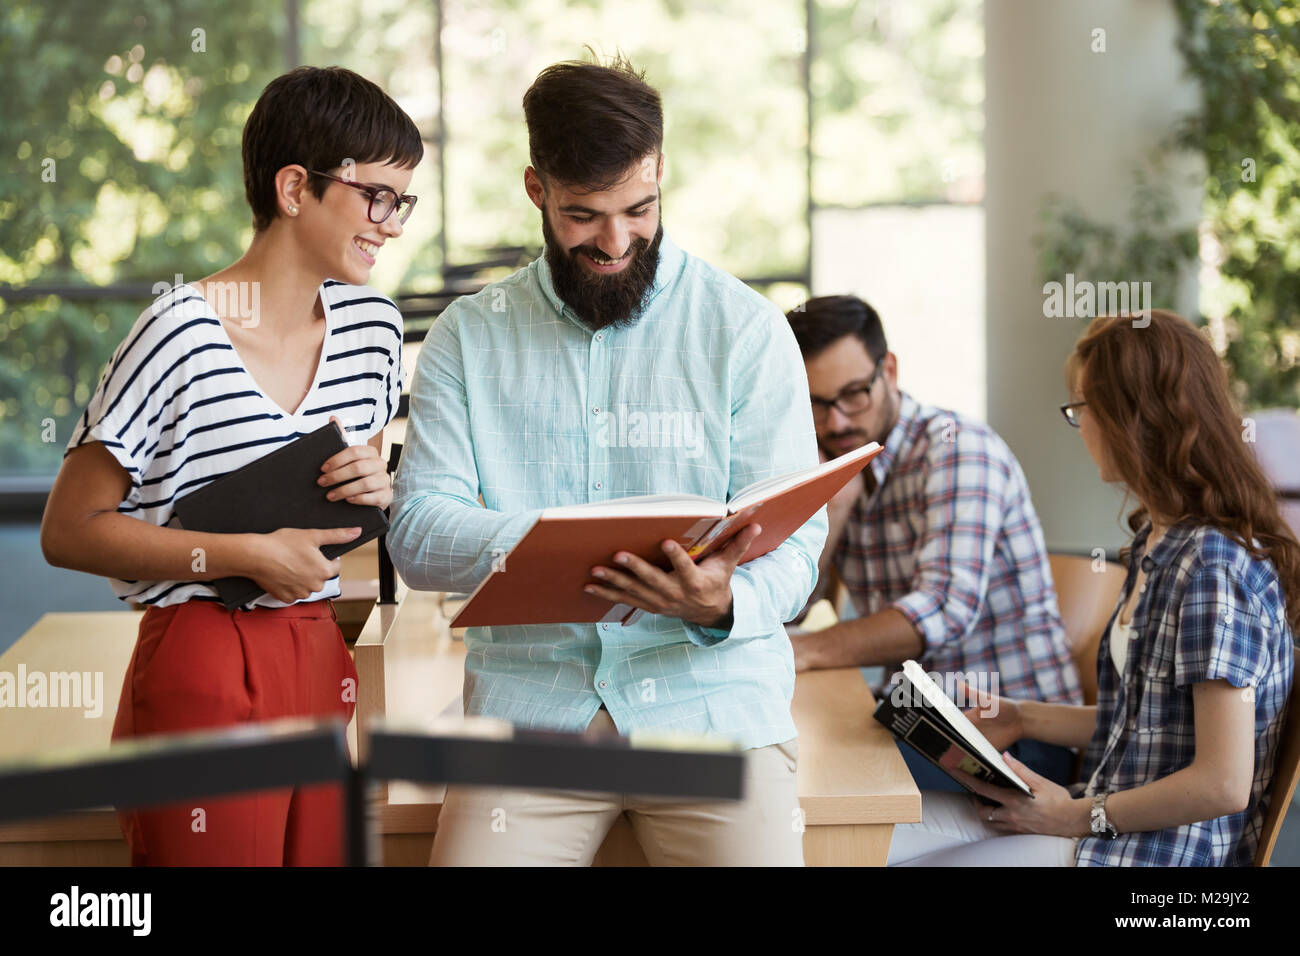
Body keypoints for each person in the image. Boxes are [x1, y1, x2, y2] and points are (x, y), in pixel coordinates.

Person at [387, 53, 824, 866]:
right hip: (530, 720)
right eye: (585, 215)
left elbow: (796, 546)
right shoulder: (466, 336)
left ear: (661, 175)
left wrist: (722, 604)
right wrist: (555, 543)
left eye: (640, 208)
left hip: (715, 715)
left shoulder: (747, 331)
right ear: (536, 190)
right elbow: (414, 534)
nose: (617, 240)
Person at [40, 66, 421, 865]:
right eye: (377, 197)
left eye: (402, 201)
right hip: (202, 653)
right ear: (294, 188)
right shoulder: (177, 332)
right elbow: (69, 531)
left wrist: (379, 484)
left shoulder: (375, 331)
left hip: (318, 650)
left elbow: (361, 502)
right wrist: (244, 555)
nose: (392, 224)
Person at [886, 310, 1298, 866]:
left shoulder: (1212, 567)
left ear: (1134, 416)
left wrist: (1076, 816)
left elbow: (1223, 783)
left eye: (1083, 408)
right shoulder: (1162, 541)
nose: (1081, 426)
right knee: (875, 840)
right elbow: (1147, 716)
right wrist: (1023, 716)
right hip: (1101, 830)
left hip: (1157, 859)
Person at [785, 295, 1081, 788]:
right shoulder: (838, 460)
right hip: (917, 718)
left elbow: (944, 608)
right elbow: (791, 606)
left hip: (1019, 739)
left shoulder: (957, 449)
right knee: (779, 757)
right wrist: (831, 510)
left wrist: (806, 651)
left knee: (812, 782)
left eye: (854, 394)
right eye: (815, 403)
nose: (835, 422)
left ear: (891, 371)